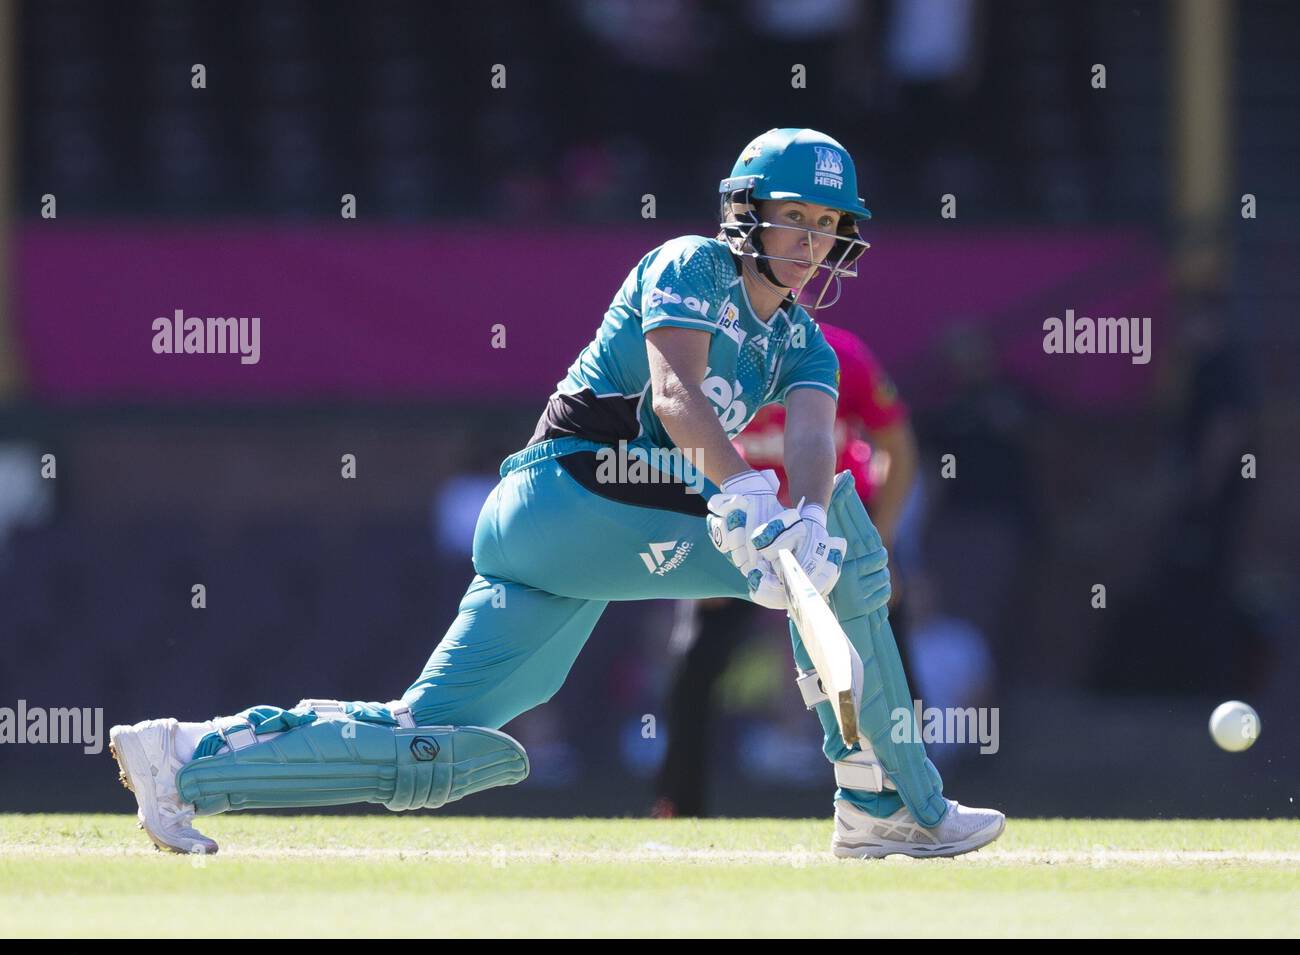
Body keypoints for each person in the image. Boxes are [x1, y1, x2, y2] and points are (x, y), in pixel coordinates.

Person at [109, 128, 1004, 859]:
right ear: (746, 218)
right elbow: (673, 396)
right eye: (792, 219)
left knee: (439, 746)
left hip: (572, 546)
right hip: (574, 488)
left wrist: (803, 510)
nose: (809, 243)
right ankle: (891, 804)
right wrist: (758, 506)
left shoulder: (804, 340)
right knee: (844, 552)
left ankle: (184, 761)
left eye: (826, 224)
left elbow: (815, 432)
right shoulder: (691, 263)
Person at [652, 323, 921, 817]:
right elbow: (678, 457)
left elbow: (897, 448)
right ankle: (679, 805)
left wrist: (878, 543)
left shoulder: (842, 354)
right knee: (693, 663)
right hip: (743, 531)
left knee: (889, 664)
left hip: (832, 525)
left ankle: (909, 797)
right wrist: (700, 552)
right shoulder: (710, 358)